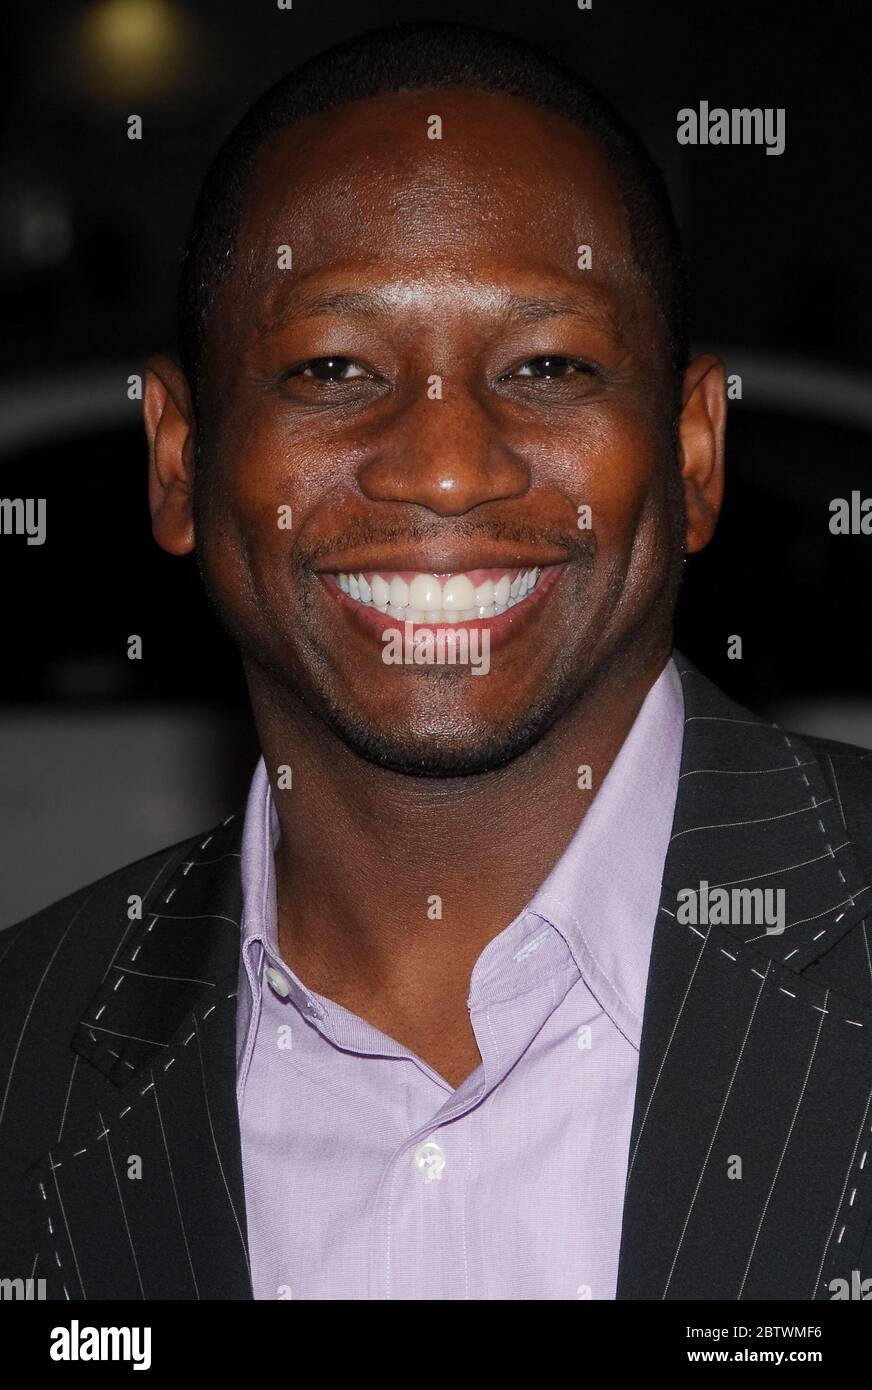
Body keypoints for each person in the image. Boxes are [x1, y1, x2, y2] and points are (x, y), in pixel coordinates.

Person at [2, 21, 871, 1302]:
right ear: (176, 457)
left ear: (692, 453)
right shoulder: (24, 1058)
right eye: (334, 367)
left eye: (547, 365)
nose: (449, 465)